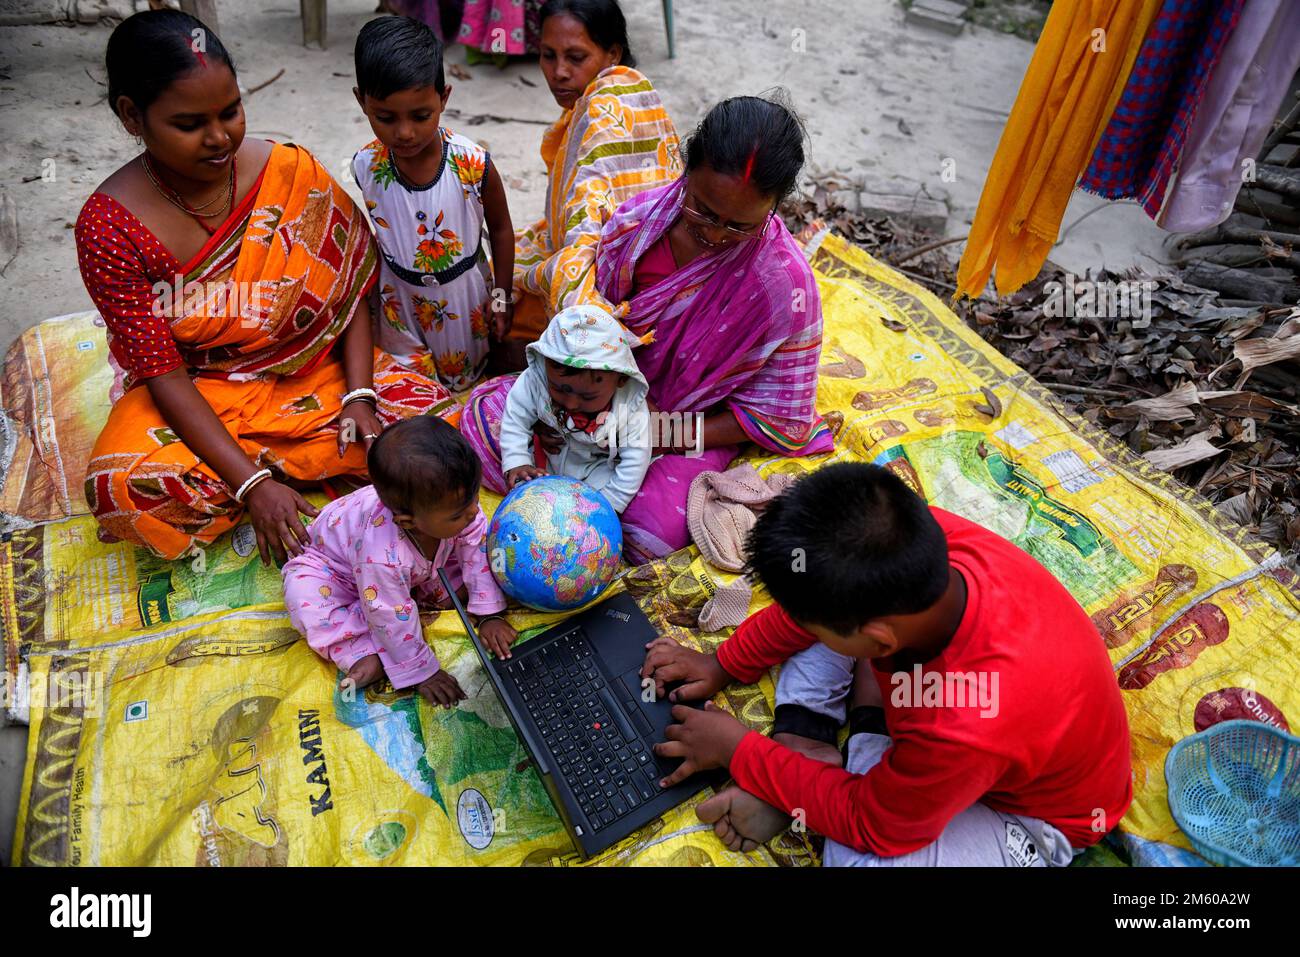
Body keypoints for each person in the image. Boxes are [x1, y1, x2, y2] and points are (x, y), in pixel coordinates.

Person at [76, 10, 457, 564]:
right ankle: (274, 476)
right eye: (189, 124)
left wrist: (358, 396)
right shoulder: (109, 225)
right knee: (122, 490)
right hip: (201, 394)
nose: (220, 137)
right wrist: (252, 485)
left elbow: (346, 289)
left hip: (315, 377)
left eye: (231, 112)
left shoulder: (287, 170)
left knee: (438, 431)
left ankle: (288, 469)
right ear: (133, 116)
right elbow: (162, 371)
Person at [639, 463, 1134, 866]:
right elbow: (807, 607)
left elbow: (876, 826)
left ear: (880, 643)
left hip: (1028, 814)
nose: (798, 623)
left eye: (810, 623)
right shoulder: (921, 538)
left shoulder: (964, 724)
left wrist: (738, 750)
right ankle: (809, 747)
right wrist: (724, 663)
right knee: (825, 608)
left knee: (862, 859)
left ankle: (850, 745)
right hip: (942, 713)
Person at [465, 94, 832, 563]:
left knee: (647, 535)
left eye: (739, 226)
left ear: (775, 207)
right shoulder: (638, 225)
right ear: (685, 172)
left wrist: (658, 433)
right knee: (482, 430)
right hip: (591, 394)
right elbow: (587, 331)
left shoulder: (785, 288)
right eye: (702, 209)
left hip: (683, 424)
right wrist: (564, 407)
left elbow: (776, 417)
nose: (716, 235)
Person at [283, 415, 517, 708]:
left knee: (484, 561)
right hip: (333, 572)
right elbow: (387, 611)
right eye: (458, 513)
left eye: (473, 496)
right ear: (409, 522)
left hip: (398, 571)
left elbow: (474, 543)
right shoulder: (383, 556)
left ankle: (419, 590)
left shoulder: (451, 507)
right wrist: (421, 672)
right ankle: (363, 652)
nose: (473, 511)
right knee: (304, 597)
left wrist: (489, 615)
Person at [352, 15, 516, 392]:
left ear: (443, 98)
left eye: (421, 116)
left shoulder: (472, 165)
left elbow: (503, 230)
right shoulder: (365, 166)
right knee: (409, 388)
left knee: (463, 384)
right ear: (362, 101)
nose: (405, 132)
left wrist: (501, 297)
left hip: (463, 299)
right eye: (385, 117)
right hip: (399, 301)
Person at [510, 0, 681, 336]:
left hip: (634, 281)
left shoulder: (604, 108)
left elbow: (586, 228)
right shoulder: (627, 90)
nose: (559, 71)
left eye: (576, 58)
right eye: (548, 55)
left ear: (613, 54)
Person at [497, 304, 651, 512]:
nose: (570, 404)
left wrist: (609, 506)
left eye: (587, 397)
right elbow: (515, 419)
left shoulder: (630, 412)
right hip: (547, 459)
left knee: (632, 506)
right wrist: (517, 461)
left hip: (598, 468)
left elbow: (635, 460)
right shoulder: (536, 380)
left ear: (621, 380)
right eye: (559, 389)